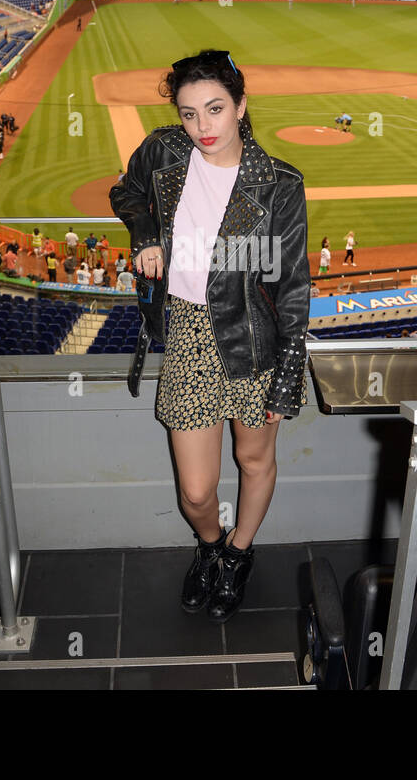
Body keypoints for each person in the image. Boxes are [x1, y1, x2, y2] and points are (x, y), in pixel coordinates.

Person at [108, 49, 310, 623]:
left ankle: (239, 556)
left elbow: (292, 285)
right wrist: (145, 233)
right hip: (190, 332)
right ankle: (211, 545)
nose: (203, 128)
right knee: (196, 493)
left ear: (241, 106)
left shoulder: (278, 185)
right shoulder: (165, 150)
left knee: (253, 458)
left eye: (216, 109)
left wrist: (287, 380)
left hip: (255, 340)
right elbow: (125, 191)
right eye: (190, 113)